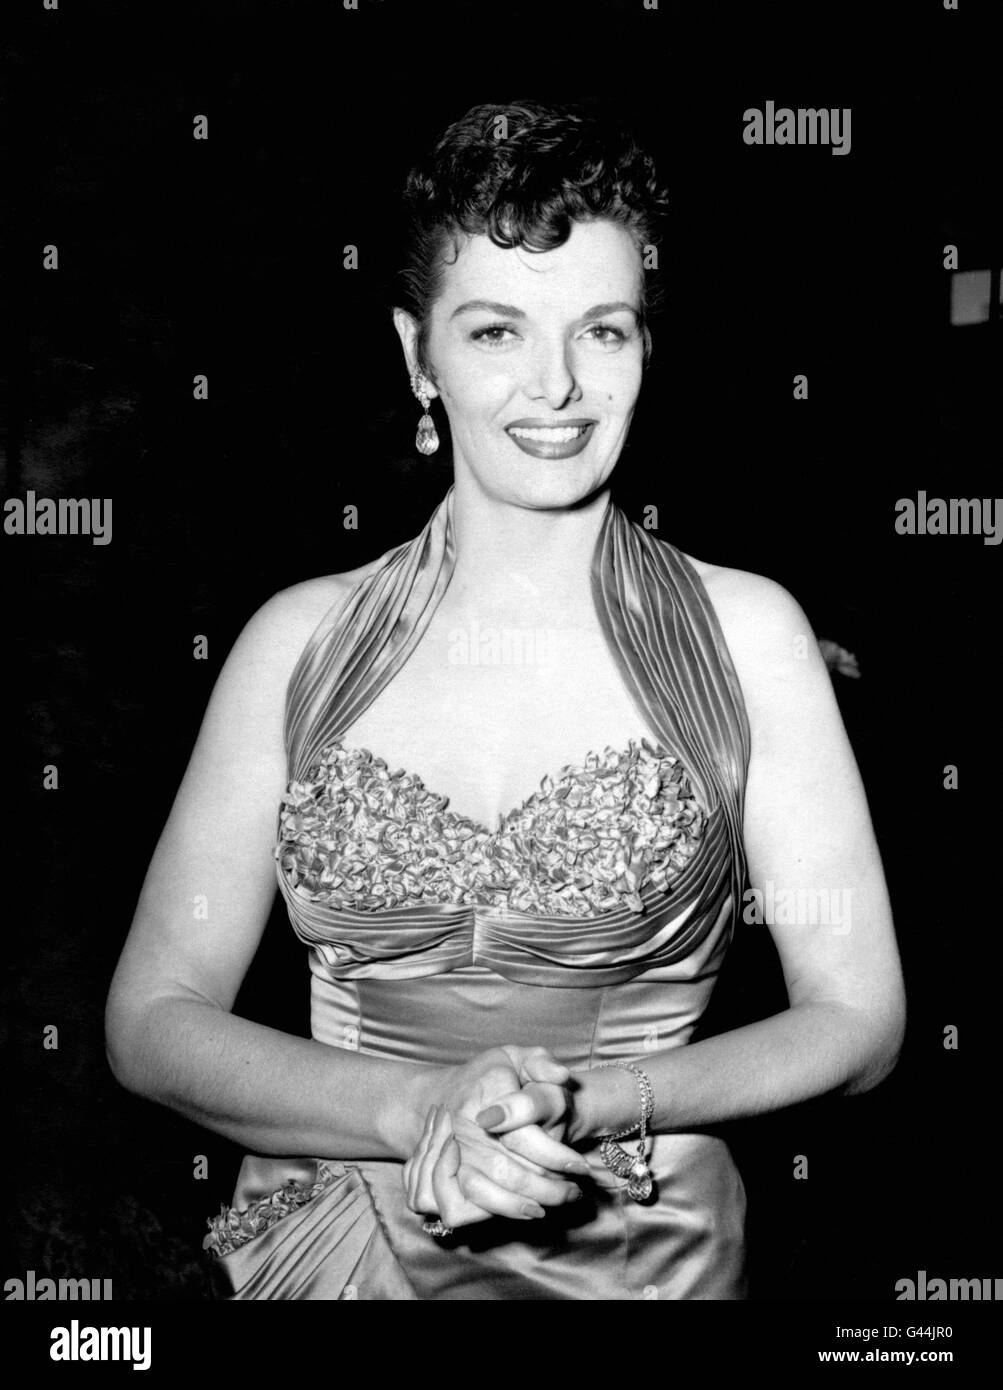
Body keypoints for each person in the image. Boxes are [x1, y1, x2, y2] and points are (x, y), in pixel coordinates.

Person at [105, 99, 905, 1300]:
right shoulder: (296, 644)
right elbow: (151, 1018)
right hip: (334, 1250)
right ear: (415, 352)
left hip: (638, 1256)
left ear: (646, 345)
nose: (558, 387)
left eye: (603, 330)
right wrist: (414, 1105)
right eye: (494, 332)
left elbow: (858, 1019)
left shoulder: (749, 637)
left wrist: (588, 1099)